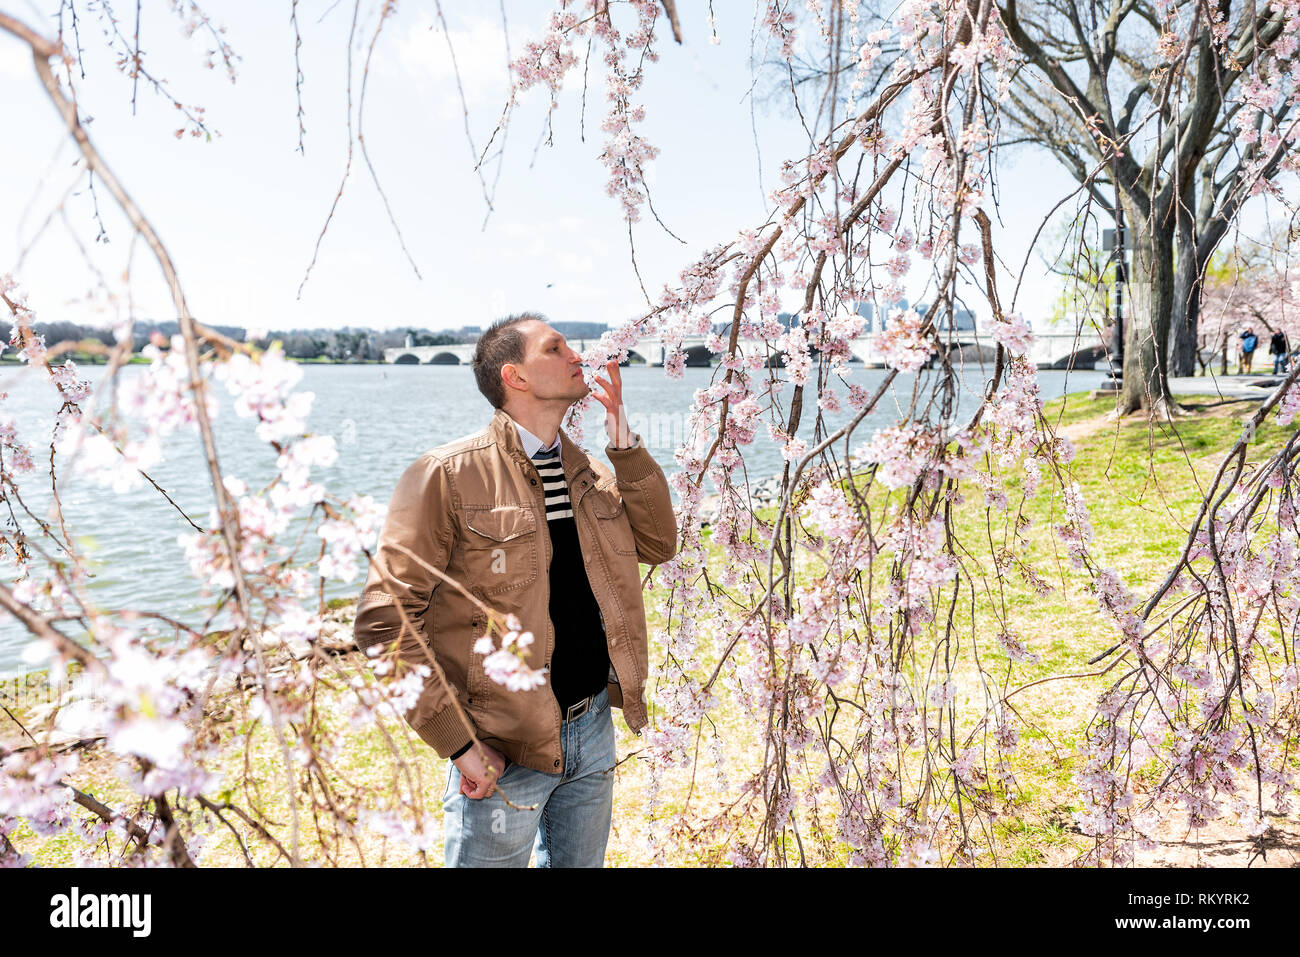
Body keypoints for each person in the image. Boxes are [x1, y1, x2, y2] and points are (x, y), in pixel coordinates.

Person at [353, 313, 676, 867]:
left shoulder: (591, 474)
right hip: (503, 747)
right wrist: (458, 743)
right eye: (556, 348)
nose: (578, 356)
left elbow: (659, 542)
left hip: (592, 728)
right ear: (516, 377)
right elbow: (385, 621)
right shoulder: (447, 475)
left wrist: (623, 439)